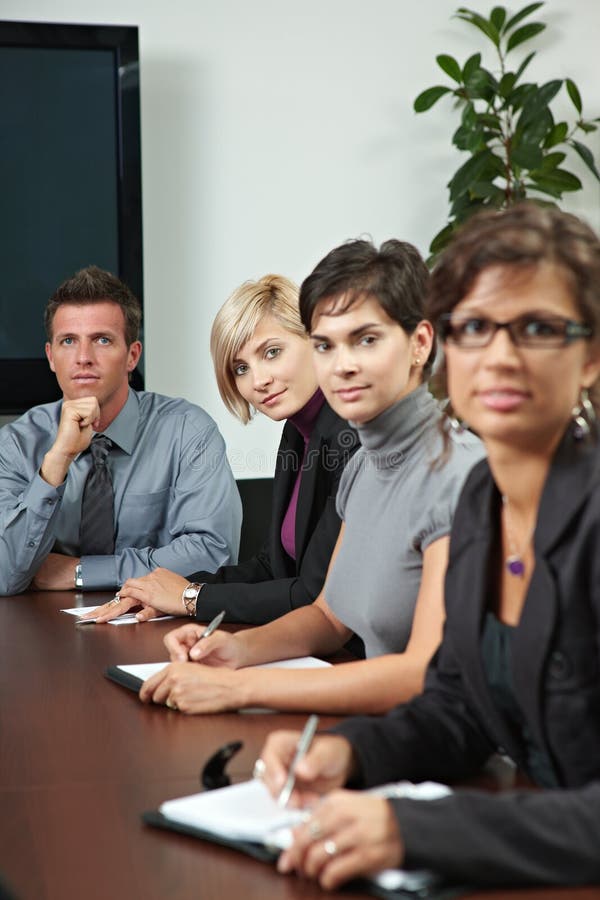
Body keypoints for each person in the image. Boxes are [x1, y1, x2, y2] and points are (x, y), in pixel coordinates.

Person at [258, 204, 600, 891]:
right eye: (474, 328)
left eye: (535, 328)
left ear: (589, 358)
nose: (498, 356)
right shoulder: (482, 501)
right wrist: (347, 754)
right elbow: (462, 706)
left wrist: (415, 831)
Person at [138, 238, 483, 715]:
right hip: (387, 727)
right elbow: (327, 614)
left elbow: (421, 674)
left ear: (420, 344)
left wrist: (241, 688)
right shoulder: (365, 464)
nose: (342, 365)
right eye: (325, 345)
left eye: (366, 340)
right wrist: (235, 652)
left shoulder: (461, 473)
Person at [87, 274, 359, 624]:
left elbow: (315, 594)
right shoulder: (297, 431)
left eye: (272, 352)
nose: (258, 381)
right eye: (241, 368)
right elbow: (272, 566)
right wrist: (168, 588)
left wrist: (191, 597)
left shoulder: (351, 435)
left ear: (316, 340)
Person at [0, 265, 241, 596]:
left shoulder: (188, 431)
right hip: (43, 632)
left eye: (102, 340)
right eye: (68, 341)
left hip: (154, 628)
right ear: (51, 357)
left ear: (132, 355)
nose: (83, 357)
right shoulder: (16, 443)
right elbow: (4, 573)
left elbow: (213, 554)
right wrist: (58, 459)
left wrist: (82, 572)